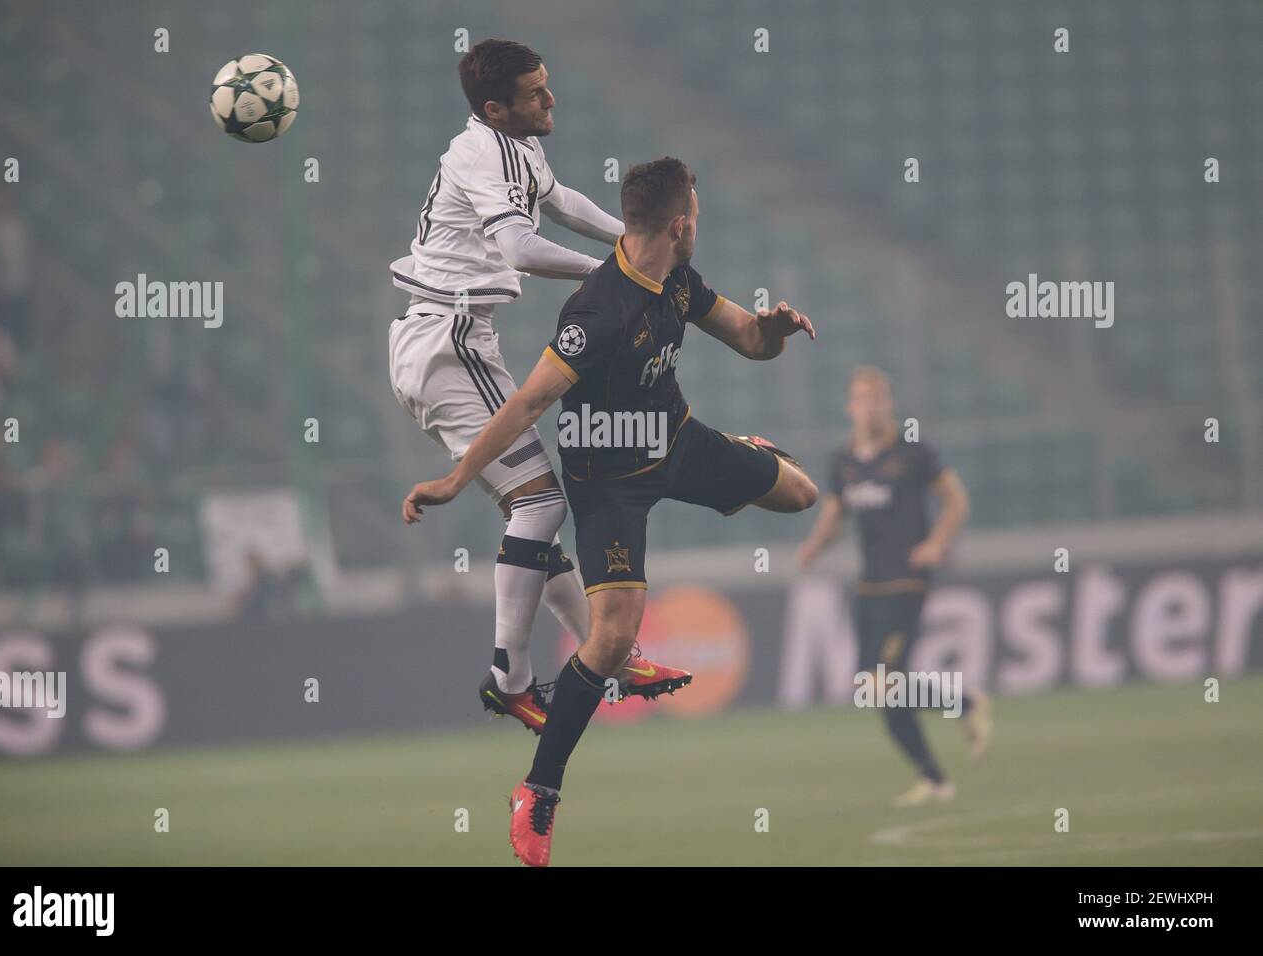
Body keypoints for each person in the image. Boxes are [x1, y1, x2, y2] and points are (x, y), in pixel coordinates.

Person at [404, 157, 819, 865]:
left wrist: (775, 328)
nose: (699, 231)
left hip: (679, 442)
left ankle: (746, 453)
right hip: (608, 484)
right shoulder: (597, 311)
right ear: (680, 225)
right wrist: (457, 475)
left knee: (801, 495)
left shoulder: (678, 282)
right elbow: (530, 400)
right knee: (614, 636)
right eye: (698, 220)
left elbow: (751, 340)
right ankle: (538, 792)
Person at [388, 40, 692, 735]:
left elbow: (560, 202)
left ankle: (608, 653)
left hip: (450, 339)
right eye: (535, 93)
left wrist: (636, 240)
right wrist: (614, 275)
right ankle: (509, 676)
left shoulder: (514, 148)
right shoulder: (481, 154)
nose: (550, 99)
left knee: (532, 510)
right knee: (543, 503)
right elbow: (520, 249)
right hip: (447, 339)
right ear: (496, 108)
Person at [797, 366, 989, 807]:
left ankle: (956, 725)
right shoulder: (842, 462)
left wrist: (937, 543)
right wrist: (815, 547)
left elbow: (956, 498)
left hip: (907, 580)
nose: (870, 406)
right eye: (862, 398)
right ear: (850, 407)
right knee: (871, 689)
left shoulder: (914, 453)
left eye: (877, 397)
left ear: (889, 404)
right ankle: (944, 755)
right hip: (869, 584)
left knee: (883, 682)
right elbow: (835, 513)